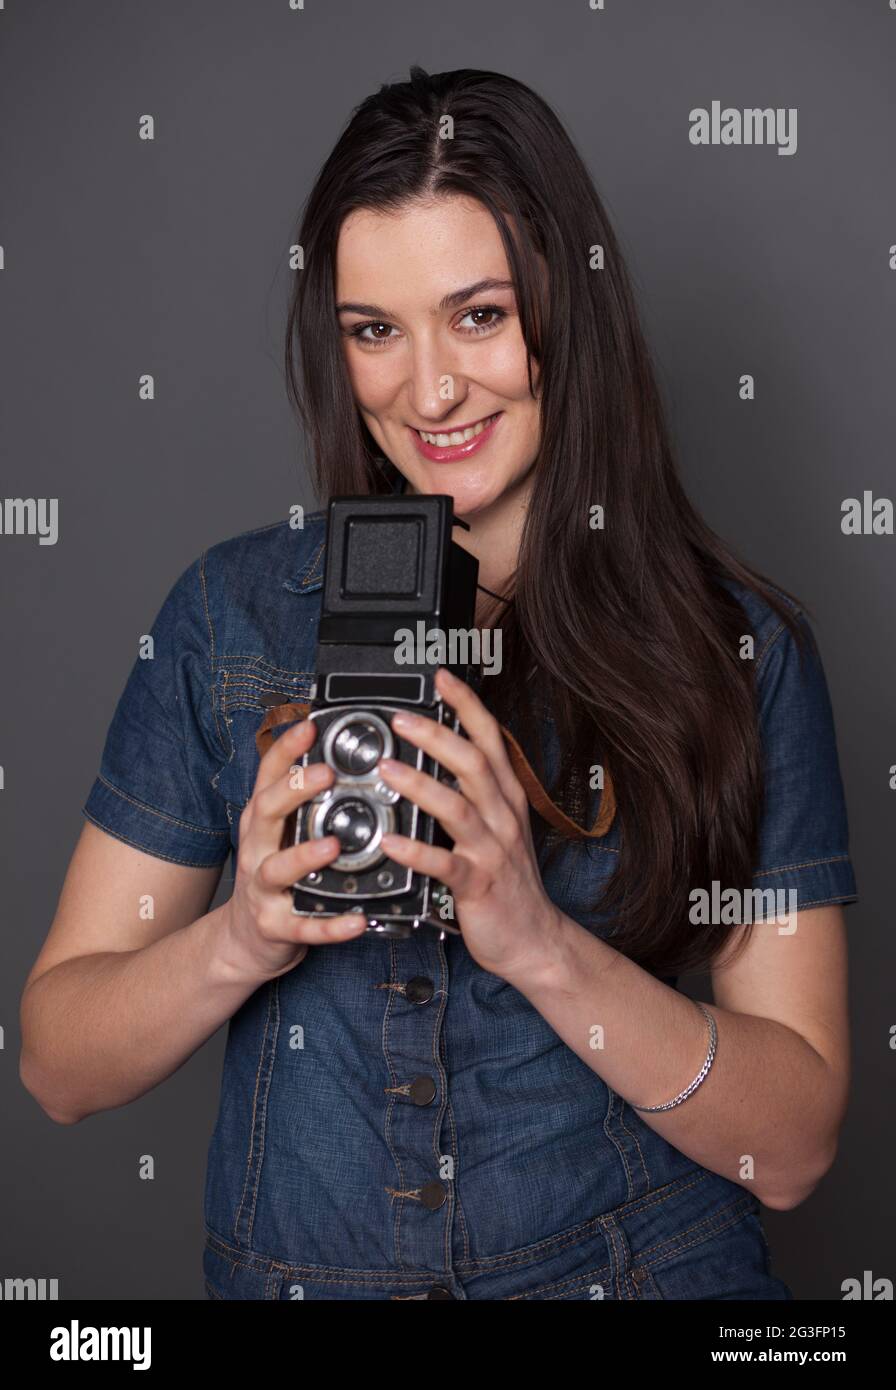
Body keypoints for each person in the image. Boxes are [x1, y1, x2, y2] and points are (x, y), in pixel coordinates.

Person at [19, 66, 856, 1301]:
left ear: (566, 312)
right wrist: (240, 938)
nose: (429, 391)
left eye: (477, 316)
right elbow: (57, 1069)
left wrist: (540, 944)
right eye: (374, 330)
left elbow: (788, 1150)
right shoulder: (228, 618)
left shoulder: (735, 646)